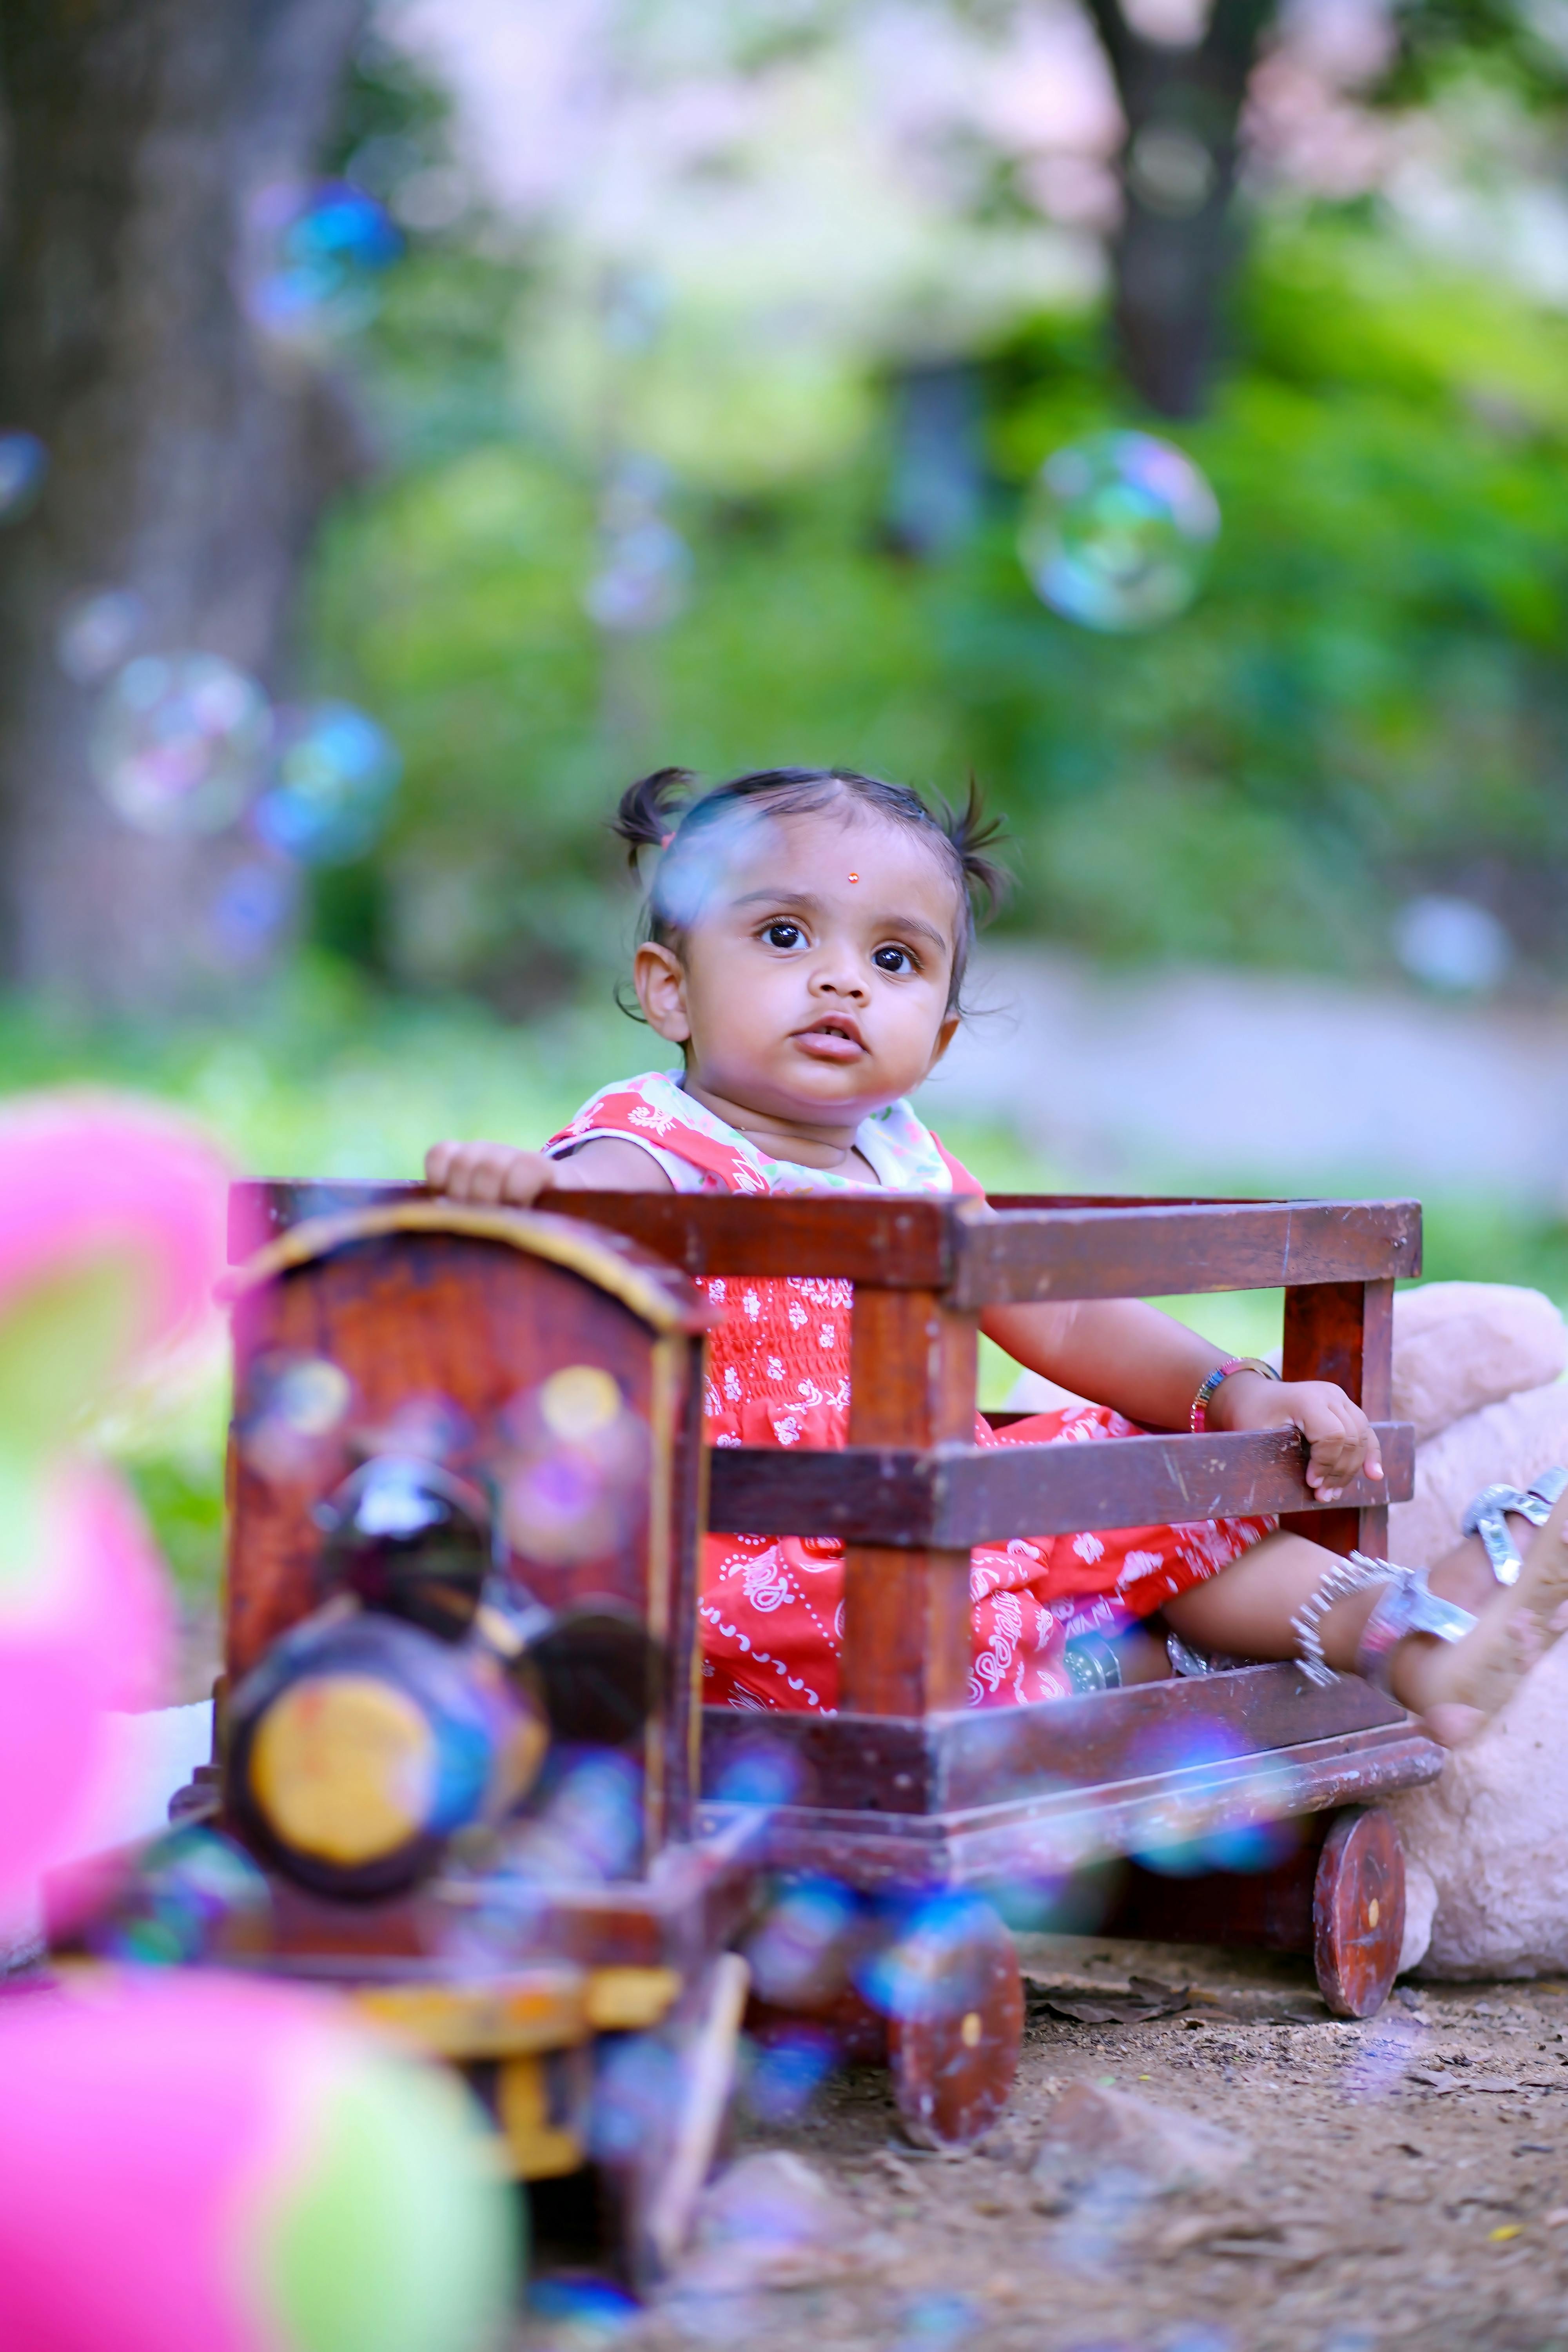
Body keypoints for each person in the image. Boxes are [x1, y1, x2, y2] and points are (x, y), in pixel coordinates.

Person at [426, 765, 1568, 1744]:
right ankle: (1116, 1678)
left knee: (1147, 1457)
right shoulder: (657, 1145)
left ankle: (1413, 1637)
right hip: (761, 1569)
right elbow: (580, 1218)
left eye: (894, 959)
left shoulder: (907, 1161)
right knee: (1005, 1559)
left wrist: (1230, 1389)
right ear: (669, 988)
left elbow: (1063, 1320)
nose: (840, 981)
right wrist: (524, 1191)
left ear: (940, 1038)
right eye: (784, 936)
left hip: (946, 1528)